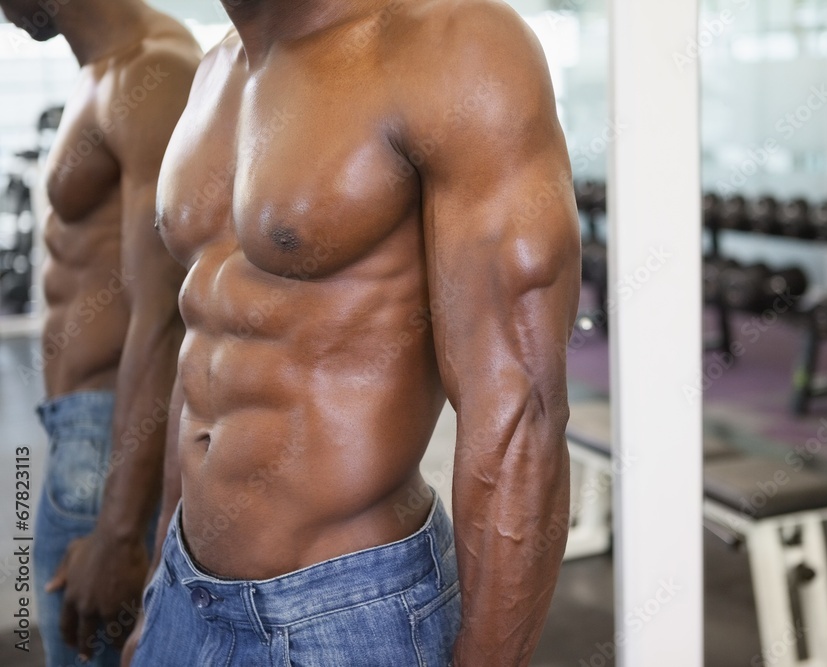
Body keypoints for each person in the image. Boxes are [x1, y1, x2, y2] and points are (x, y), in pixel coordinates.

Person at [122, 0, 581, 665]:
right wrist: (156, 592)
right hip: (181, 593)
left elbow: (518, 414)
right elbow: (204, 359)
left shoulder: (452, 44)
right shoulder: (215, 69)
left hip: (346, 616)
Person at [0, 1, 202, 664]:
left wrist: (119, 529)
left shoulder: (155, 71)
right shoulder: (104, 70)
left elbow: (166, 311)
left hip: (110, 440)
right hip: (81, 432)